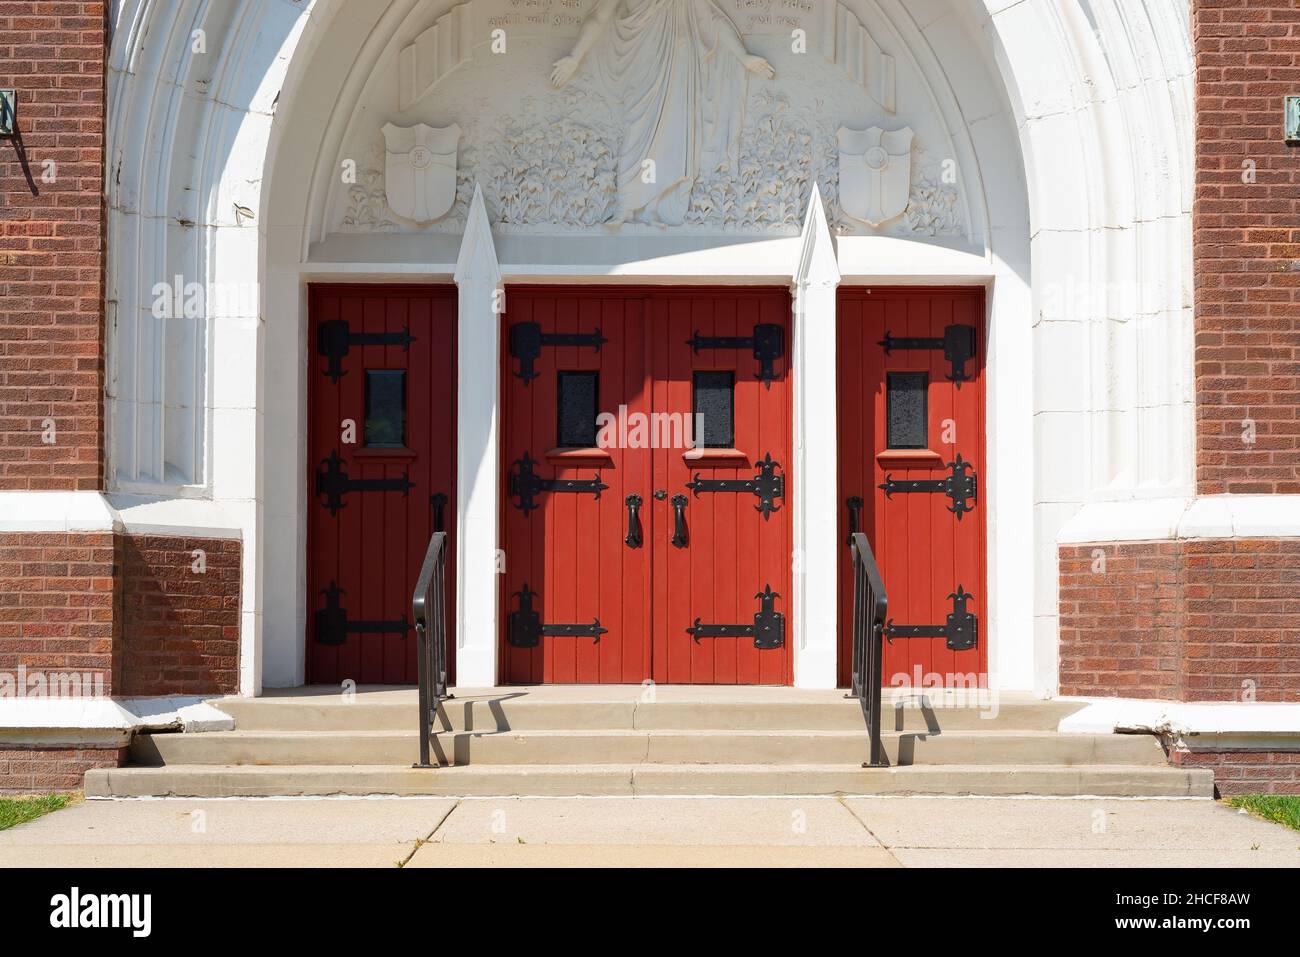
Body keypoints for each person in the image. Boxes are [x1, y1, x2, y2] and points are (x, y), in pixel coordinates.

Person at [551, 0, 776, 226]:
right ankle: (628, 204)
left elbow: (712, 19)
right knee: (637, 129)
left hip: (679, 62)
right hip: (641, 62)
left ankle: (660, 209)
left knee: (676, 131)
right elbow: (599, 17)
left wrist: (743, 56)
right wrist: (575, 56)